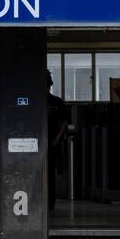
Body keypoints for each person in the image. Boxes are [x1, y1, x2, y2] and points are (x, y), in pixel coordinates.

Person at [46, 71, 70, 214]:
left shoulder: (57, 102)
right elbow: (64, 123)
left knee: (49, 173)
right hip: (50, 141)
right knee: (49, 173)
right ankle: (49, 202)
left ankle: (50, 202)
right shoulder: (56, 102)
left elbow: (64, 122)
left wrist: (56, 139)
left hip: (52, 142)